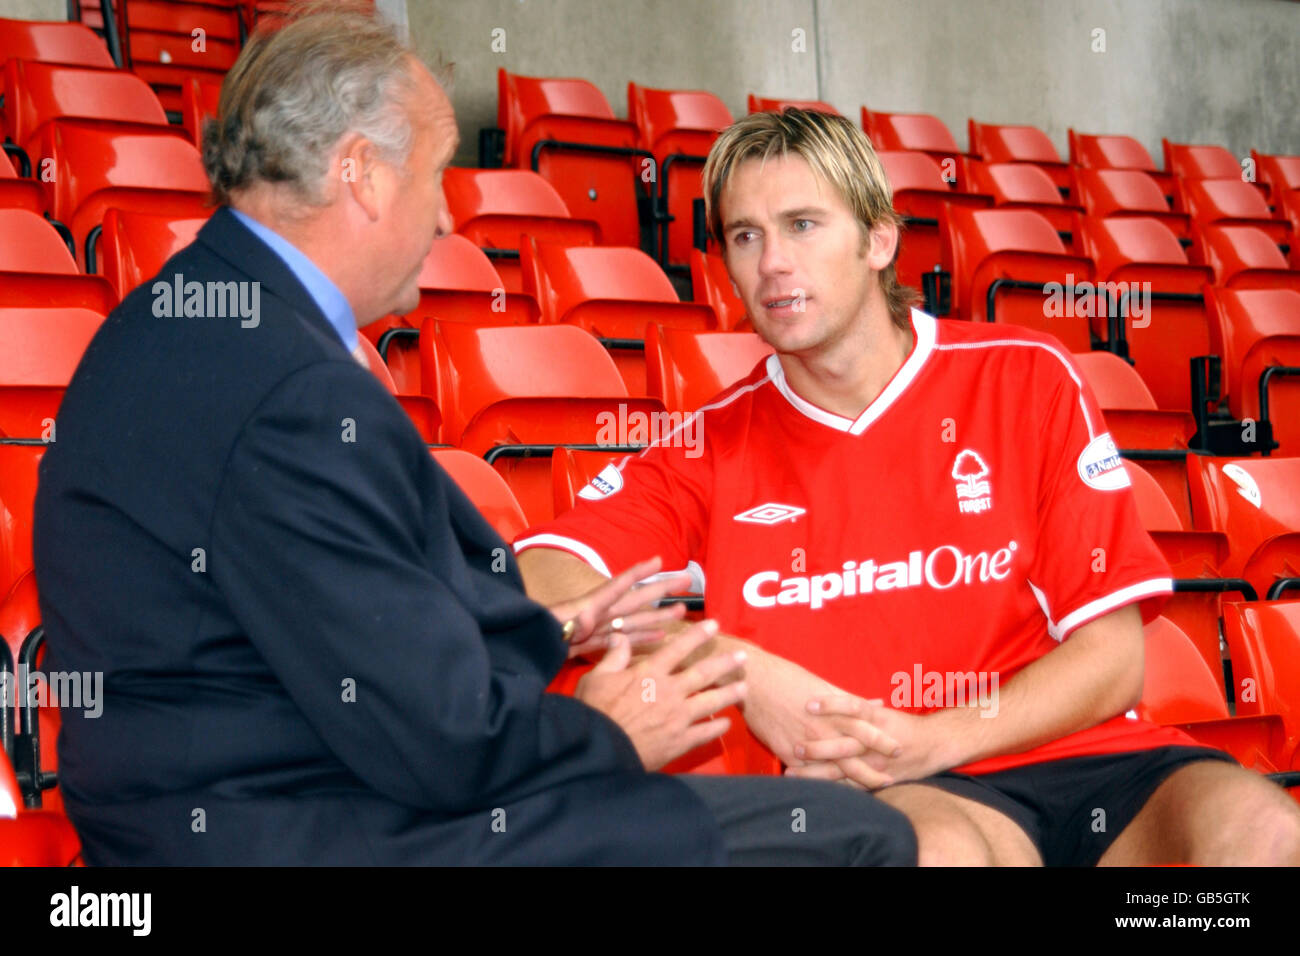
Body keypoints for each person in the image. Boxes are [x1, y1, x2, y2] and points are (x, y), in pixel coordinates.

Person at [32, 7, 917, 866]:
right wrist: (610, 732)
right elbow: (436, 742)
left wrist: (549, 627)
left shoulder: (199, 324)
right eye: (437, 173)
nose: (450, 218)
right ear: (363, 174)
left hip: (267, 801)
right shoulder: (282, 386)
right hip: (301, 828)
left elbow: (340, 636)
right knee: (848, 834)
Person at [515, 107, 1300, 866]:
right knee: (942, 854)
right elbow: (542, 575)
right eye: (745, 236)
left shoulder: (1023, 377)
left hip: (1091, 763)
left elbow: (1112, 660)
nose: (773, 262)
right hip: (894, 789)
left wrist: (940, 734)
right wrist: (725, 656)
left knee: (1264, 830)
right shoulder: (712, 441)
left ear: (878, 240)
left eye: (803, 224)